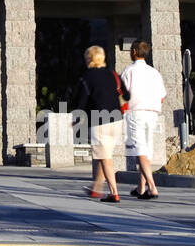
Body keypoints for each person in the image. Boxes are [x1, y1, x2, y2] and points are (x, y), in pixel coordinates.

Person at [70, 45, 125, 203]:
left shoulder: (87, 76)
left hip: (98, 121)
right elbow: (126, 93)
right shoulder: (112, 74)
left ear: (89, 59)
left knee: (105, 157)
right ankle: (97, 188)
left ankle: (114, 193)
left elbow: (82, 99)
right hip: (116, 119)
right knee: (104, 154)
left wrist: (76, 118)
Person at [121, 41, 166, 199]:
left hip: (136, 112)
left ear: (134, 51)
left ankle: (152, 187)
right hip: (152, 113)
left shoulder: (129, 70)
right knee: (146, 150)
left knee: (140, 150)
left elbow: (122, 94)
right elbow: (162, 96)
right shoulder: (154, 72)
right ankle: (141, 186)